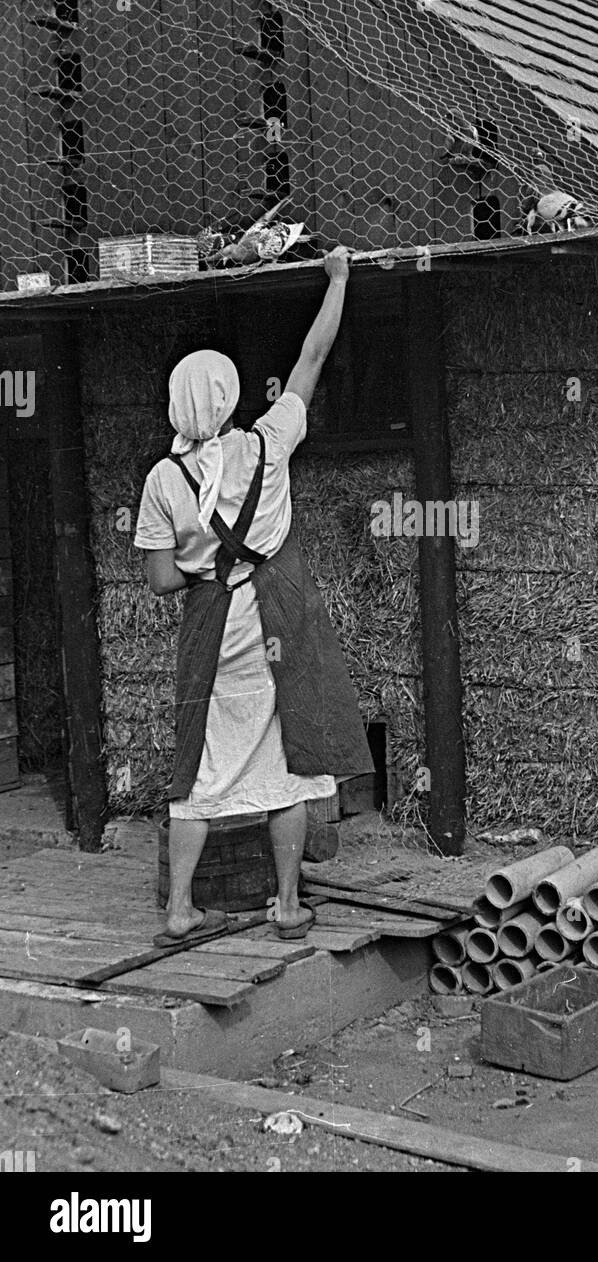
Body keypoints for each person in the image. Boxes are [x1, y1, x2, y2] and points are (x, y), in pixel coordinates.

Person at [134, 246, 373, 943]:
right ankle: (288, 906)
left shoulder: (161, 481)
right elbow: (313, 356)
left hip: (214, 630)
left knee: (201, 765)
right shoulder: (268, 443)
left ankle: (180, 910)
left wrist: (207, 568)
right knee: (287, 761)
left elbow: (158, 580)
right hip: (277, 618)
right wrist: (337, 280)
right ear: (231, 397)